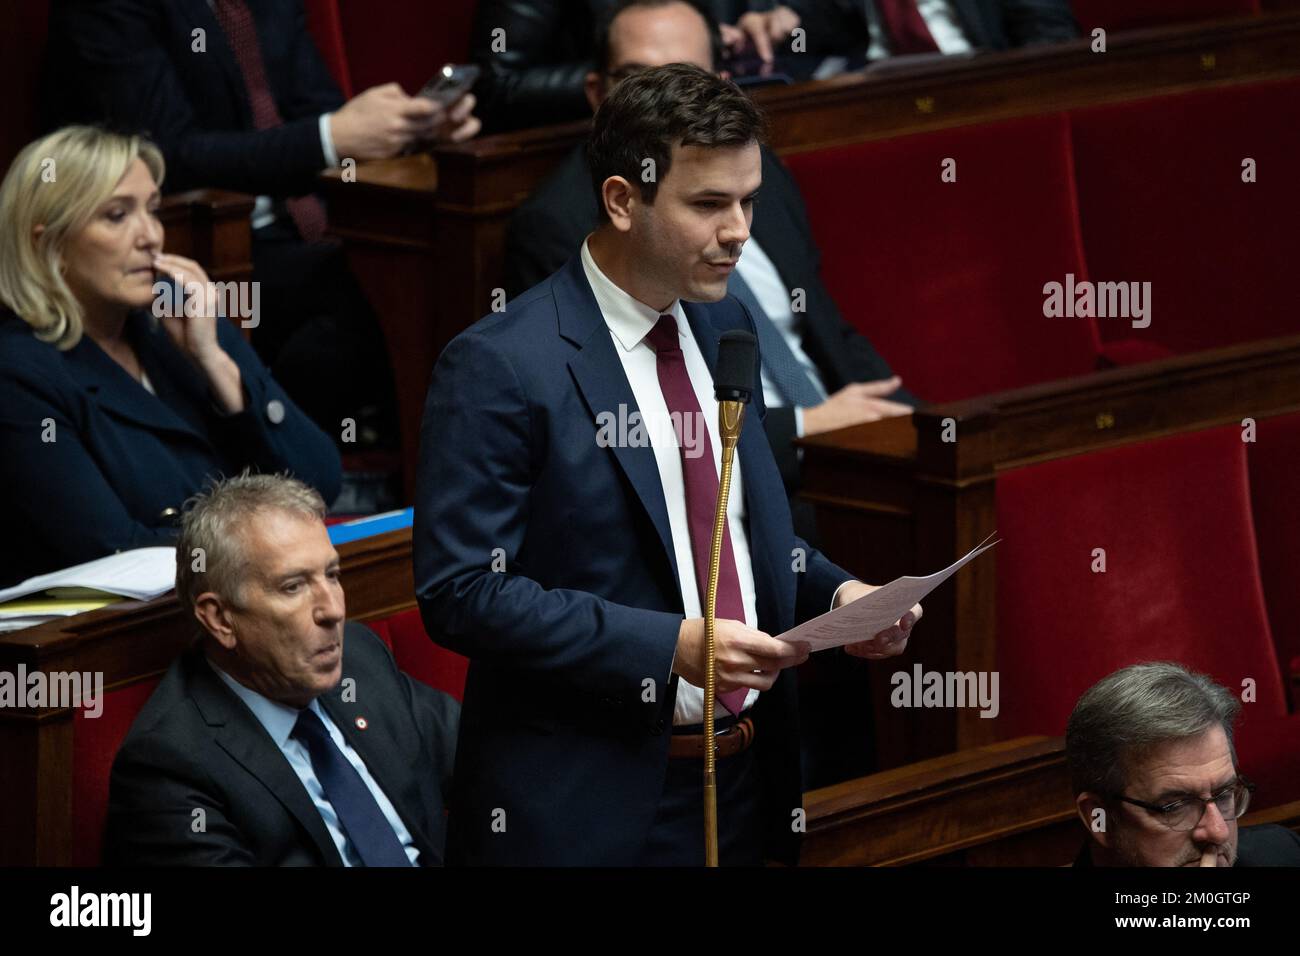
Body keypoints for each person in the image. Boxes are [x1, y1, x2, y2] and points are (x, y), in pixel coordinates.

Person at [415, 64, 921, 866]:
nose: (739, 231)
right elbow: (462, 592)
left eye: (748, 200)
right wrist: (667, 645)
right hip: (593, 809)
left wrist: (838, 592)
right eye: (708, 204)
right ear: (622, 200)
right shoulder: (503, 365)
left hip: (751, 778)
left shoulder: (724, 331)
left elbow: (734, 532)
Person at [507, 0, 915, 538]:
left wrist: (910, 419)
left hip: (839, 444)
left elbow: (824, 327)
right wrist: (806, 428)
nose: (737, 230)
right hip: (743, 488)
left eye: (686, 81)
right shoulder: (565, 231)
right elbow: (620, 435)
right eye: (638, 81)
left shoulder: (754, 170)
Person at [44, 0, 480, 456]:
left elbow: (320, 111)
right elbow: (167, 157)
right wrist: (329, 137)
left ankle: (383, 469)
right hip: (197, 242)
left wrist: (407, 131)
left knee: (431, 268)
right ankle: (297, 464)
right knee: (351, 290)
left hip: (306, 221)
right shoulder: (109, 11)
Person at [0, 126, 340, 588]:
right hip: (121, 639)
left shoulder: (178, 326)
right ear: (48, 246)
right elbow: (110, 550)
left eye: (154, 210)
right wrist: (269, 539)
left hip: (241, 604)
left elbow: (320, 483)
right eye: (118, 215)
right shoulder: (19, 372)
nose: (151, 237)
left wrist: (215, 361)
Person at [105, 473, 459, 866]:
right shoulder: (169, 765)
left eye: (332, 575)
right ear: (221, 619)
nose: (333, 610)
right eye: (293, 586)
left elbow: (487, 760)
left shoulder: (360, 658)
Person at [1067, 662, 1300, 867]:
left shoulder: (1282, 854)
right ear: (1100, 818)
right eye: (1176, 806)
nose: (1218, 832)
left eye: (1223, 795)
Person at [470, 0, 804, 131]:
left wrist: (771, 20)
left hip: (719, 130)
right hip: (597, 142)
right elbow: (498, 85)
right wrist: (647, 73)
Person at [785, 0, 1079, 59]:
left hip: (981, 79)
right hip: (877, 93)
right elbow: (819, 21)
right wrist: (788, 19)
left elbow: (1050, 35)